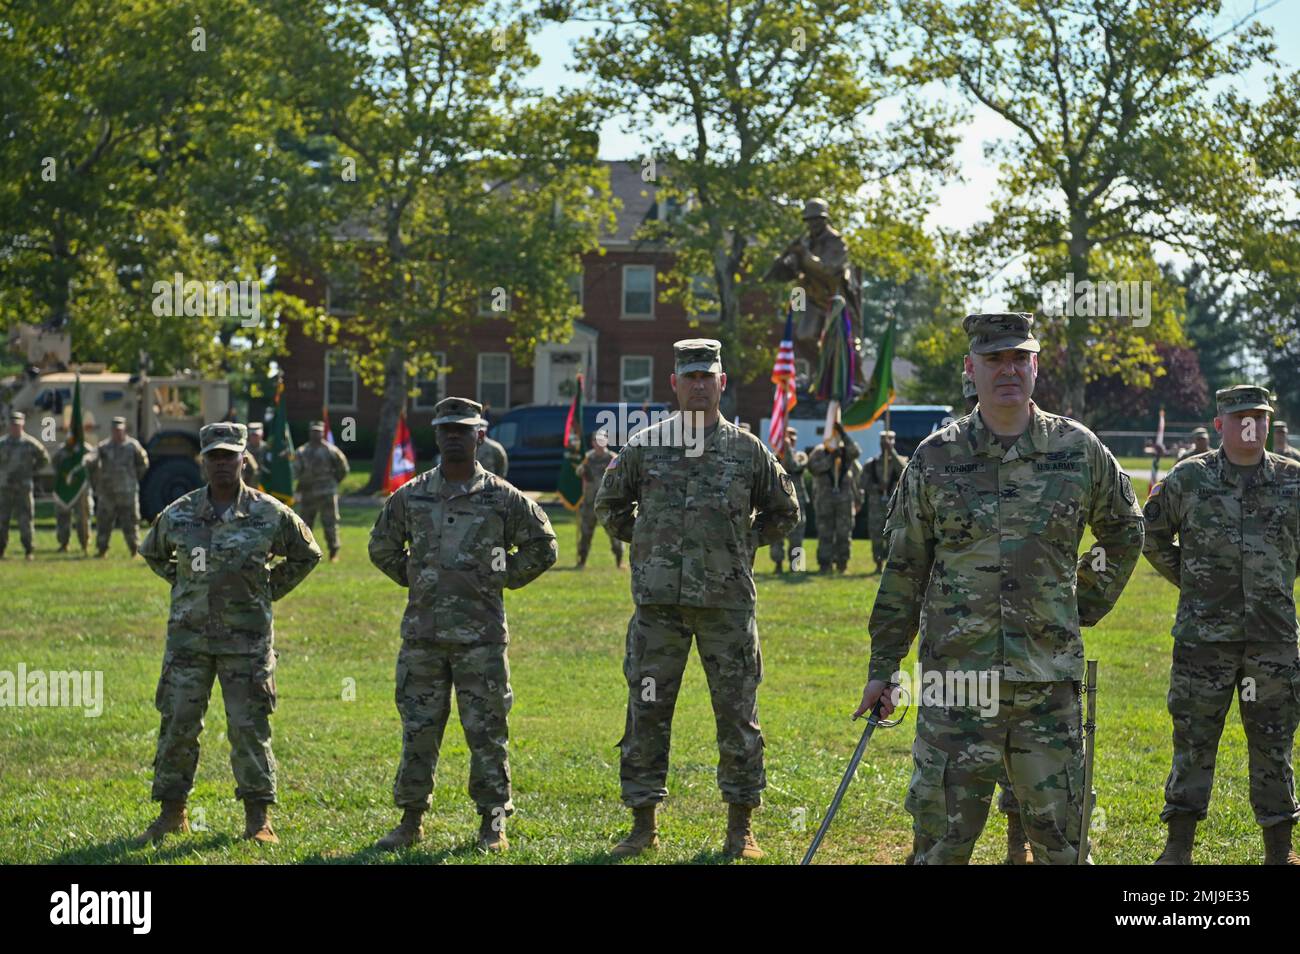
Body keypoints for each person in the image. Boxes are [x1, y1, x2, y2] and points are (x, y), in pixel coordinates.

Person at [854, 313, 1144, 865]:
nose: (1008, 369)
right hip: (956, 686)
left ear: (1036, 366)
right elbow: (905, 568)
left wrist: (1080, 601)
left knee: (1061, 843)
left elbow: (1126, 528)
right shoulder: (936, 458)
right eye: (994, 359)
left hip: (1046, 684)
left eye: (1019, 358)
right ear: (971, 370)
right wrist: (883, 665)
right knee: (941, 844)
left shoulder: (1076, 449)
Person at [595, 338, 801, 860]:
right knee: (646, 711)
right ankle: (642, 825)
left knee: (737, 716)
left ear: (722, 383)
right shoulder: (645, 446)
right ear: (675, 384)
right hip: (658, 607)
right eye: (690, 376)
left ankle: (740, 829)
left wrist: (743, 544)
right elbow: (610, 504)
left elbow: (785, 510)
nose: (699, 385)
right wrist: (648, 545)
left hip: (727, 605)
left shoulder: (747, 449)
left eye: (708, 376)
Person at [369, 397, 557, 853]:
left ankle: (493, 824)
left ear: (480, 435)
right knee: (419, 730)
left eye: (463, 429)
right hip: (424, 637)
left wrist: (502, 577)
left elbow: (543, 545)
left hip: (481, 639)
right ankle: (411, 821)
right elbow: (382, 545)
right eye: (447, 429)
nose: (454, 436)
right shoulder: (412, 495)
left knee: (487, 731)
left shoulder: (501, 496)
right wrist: (417, 576)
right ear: (436, 435)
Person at [136, 423, 321, 847]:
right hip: (189, 643)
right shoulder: (179, 512)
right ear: (203, 461)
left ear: (243, 459)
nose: (222, 463)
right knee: (178, 725)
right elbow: (153, 552)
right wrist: (184, 584)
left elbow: (307, 553)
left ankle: (258, 819)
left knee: (248, 728)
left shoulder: (268, 512)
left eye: (229, 455)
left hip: (246, 642)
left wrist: (268, 588)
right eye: (214, 456)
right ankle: (171, 814)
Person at [1142, 385, 1300, 865]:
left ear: (1270, 422)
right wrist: (1192, 582)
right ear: (1219, 424)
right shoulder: (1189, 479)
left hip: (1273, 642)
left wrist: (1279, 581)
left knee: (1274, 743)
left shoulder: (1293, 481)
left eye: (1258, 415)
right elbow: (1149, 533)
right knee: (1192, 740)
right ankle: (1178, 846)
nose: (1249, 424)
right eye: (1239, 416)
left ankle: (1280, 848)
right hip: (1203, 641)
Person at [807, 421, 862, 574]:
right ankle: (825, 564)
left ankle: (842, 563)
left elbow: (856, 452)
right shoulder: (819, 451)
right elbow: (814, 468)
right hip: (825, 499)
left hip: (844, 499)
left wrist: (844, 434)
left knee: (844, 533)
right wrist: (831, 458)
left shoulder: (846, 452)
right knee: (825, 533)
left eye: (837, 434)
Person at [92, 416, 148, 557]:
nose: (118, 433)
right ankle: (102, 550)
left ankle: (134, 549)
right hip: (108, 493)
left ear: (124, 430)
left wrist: (132, 478)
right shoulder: (103, 446)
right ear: (111, 431)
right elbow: (92, 459)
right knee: (104, 522)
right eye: (115, 430)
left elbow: (143, 464)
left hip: (127, 492)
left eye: (120, 430)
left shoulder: (133, 446)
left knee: (131, 522)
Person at [293, 421, 349, 562]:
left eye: (318, 431)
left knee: (330, 522)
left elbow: (344, 468)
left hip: (327, 492)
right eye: (313, 431)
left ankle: (333, 551)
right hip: (308, 492)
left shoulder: (331, 450)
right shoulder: (302, 451)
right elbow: (295, 471)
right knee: (305, 524)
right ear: (310, 433)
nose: (316, 434)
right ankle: (305, 551)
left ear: (323, 433)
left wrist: (334, 481)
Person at [0, 411, 50, 560]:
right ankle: (1, 550)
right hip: (4, 488)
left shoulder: (30, 444)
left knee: (26, 520)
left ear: (23, 425)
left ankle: (28, 550)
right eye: (13, 424)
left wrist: (32, 470)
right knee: (2, 520)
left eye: (18, 424)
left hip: (23, 487)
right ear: (9, 426)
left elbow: (44, 459)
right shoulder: (2, 444)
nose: (15, 427)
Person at [575, 429, 623, 569]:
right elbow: (577, 472)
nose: (599, 443)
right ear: (592, 442)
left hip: (608, 505)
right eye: (596, 440)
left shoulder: (613, 459)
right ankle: (581, 561)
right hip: (590, 503)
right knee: (585, 534)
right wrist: (583, 469)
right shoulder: (587, 459)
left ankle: (619, 561)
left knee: (614, 534)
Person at [861, 430, 906, 575]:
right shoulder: (871, 463)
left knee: (894, 536)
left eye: (890, 440)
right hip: (876, 506)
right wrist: (876, 487)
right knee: (876, 536)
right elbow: (863, 483)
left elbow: (904, 471)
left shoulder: (900, 460)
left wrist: (891, 452)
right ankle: (878, 563)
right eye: (884, 441)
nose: (886, 443)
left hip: (894, 506)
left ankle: (892, 566)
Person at [769, 425, 808, 573]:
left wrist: (788, 449)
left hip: (797, 503)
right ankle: (778, 564)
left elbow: (793, 466)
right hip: (779, 502)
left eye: (792, 438)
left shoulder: (801, 456)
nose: (789, 440)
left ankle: (796, 565)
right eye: (786, 437)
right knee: (777, 535)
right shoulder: (773, 458)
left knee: (797, 537)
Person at [52, 434, 93, 555]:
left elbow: (94, 465)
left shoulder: (87, 450)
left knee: (83, 518)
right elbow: (55, 464)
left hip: (82, 490)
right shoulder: (61, 451)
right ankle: (64, 544)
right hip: (65, 489)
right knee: (63, 517)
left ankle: (84, 543)